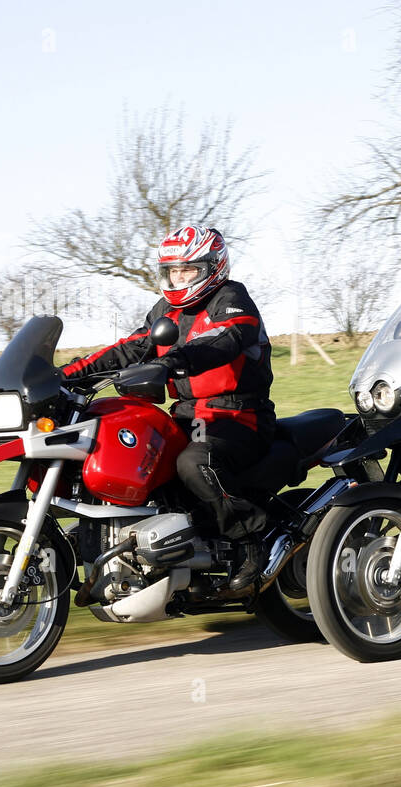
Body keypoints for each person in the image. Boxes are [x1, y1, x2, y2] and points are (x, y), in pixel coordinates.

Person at [61, 225, 275, 591]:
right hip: (188, 416)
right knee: (131, 452)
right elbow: (129, 347)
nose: (179, 278)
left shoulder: (231, 298)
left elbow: (223, 339)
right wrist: (67, 373)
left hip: (239, 417)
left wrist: (172, 361)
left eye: (188, 270)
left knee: (194, 463)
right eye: (172, 271)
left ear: (213, 266)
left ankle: (251, 541)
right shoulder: (166, 311)